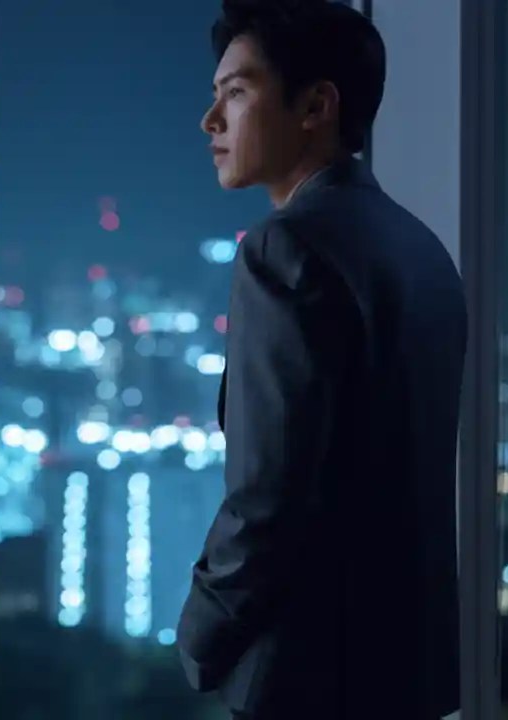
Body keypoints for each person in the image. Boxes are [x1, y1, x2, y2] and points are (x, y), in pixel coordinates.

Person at [176, 1, 466, 718]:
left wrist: (201, 632)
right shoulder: (421, 249)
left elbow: (269, 495)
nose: (211, 121)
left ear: (315, 106)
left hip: (311, 674)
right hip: (405, 670)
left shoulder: (287, 249)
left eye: (236, 93)